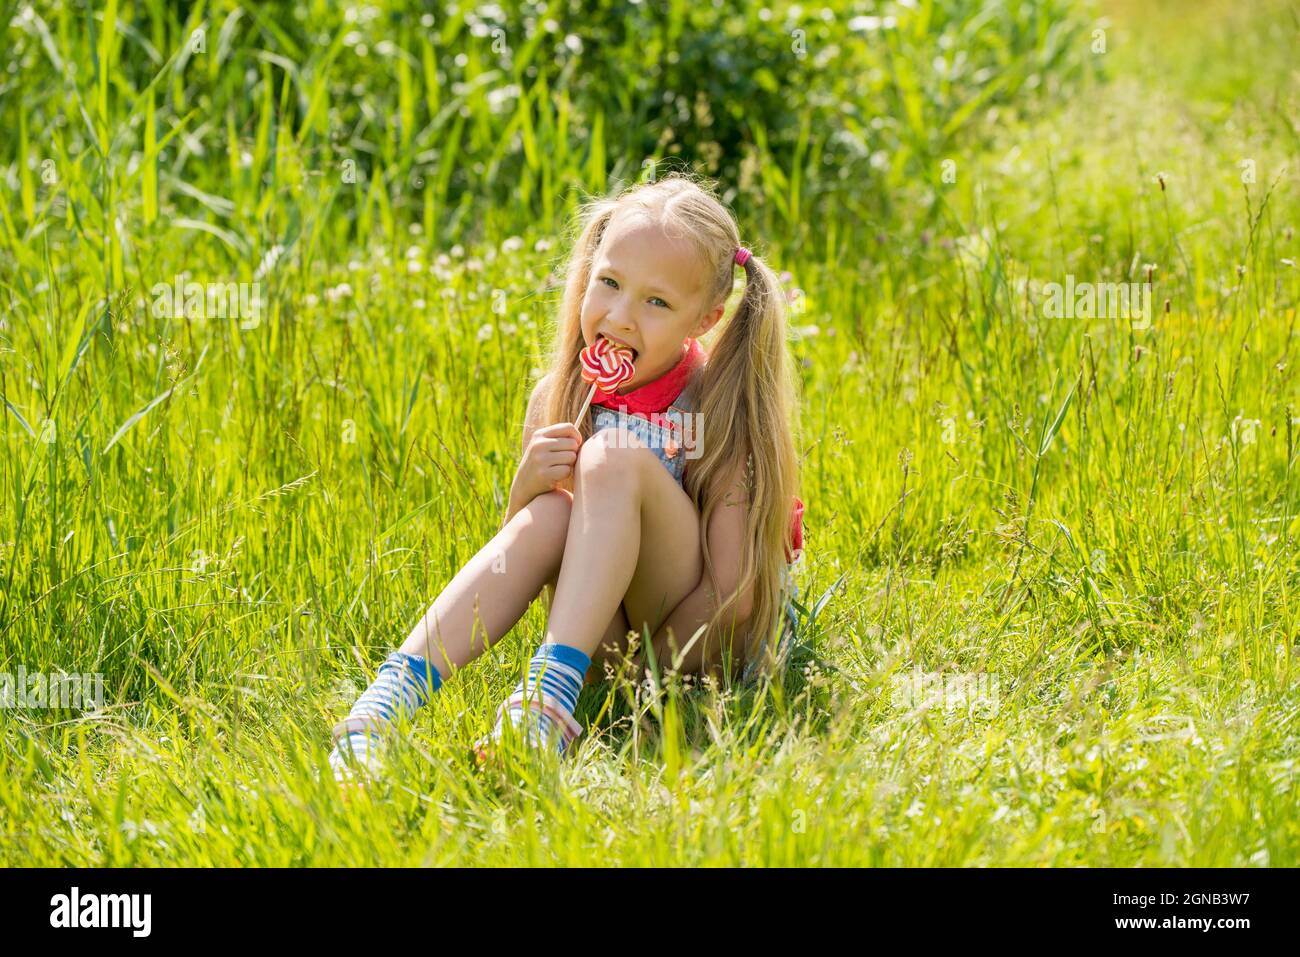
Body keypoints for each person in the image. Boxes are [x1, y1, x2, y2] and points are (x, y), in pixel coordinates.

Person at [328, 172, 806, 781]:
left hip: (701, 646)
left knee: (611, 459)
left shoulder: (719, 408)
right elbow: (525, 561)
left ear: (705, 319)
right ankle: (380, 710)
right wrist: (524, 491)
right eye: (609, 283)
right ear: (587, 274)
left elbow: (735, 595)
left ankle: (544, 708)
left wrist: (639, 683)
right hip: (601, 643)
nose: (621, 316)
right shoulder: (561, 397)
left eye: (657, 302)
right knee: (554, 508)